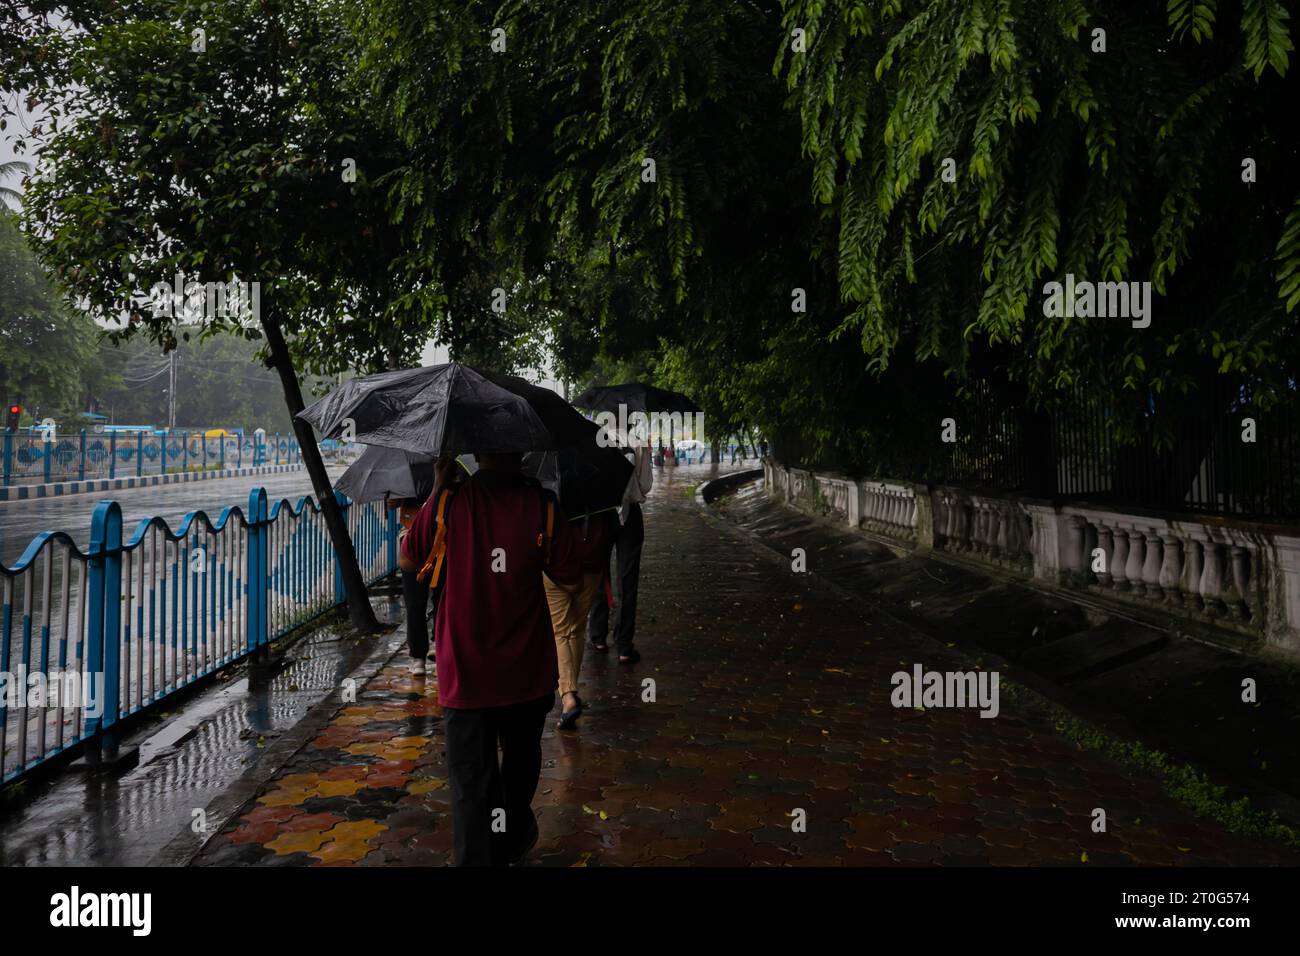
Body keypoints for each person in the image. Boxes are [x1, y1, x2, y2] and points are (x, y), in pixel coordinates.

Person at [398, 452, 579, 867]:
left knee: (469, 782)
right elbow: (569, 578)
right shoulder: (544, 506)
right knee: (520, 767)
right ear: (523, 454)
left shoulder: (447, 502)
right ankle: (512, 835)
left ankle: (481, 854)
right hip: (527, 671)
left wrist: (438, 486)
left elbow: (408, 559)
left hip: (465, 670)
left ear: (477, 454)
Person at [545, 508, 616, 730]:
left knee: (561, 631)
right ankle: (571, 690)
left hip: (556, 567)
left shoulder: (549, 492)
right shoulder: (600, 493)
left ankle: (568, 696)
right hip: (592, 564)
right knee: (576, 628)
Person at [587, 438, 651, 664]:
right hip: (630, 516)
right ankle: (624, 646)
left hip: (601, 514)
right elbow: (645, 485)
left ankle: (598, 637)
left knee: (599, 574)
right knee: (628, 580)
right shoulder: (638, 442)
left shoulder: (592, 437)